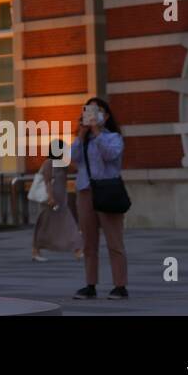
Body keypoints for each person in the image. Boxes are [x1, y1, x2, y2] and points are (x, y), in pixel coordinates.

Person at [71, 98, 128, 299]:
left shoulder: (113, 137)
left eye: (98, 111)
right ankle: (90, 284)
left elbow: (110, 155)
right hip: (86, 192)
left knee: (114, 241)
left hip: (108, 191)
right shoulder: (83, 141)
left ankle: (120, 286)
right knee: (89, 242)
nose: (93, 115)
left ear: (107, 116)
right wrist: (82, 133)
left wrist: (97, 132)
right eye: (89, 111)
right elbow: (73, 157)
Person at [30, 145, 83, 261]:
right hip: (50, 201)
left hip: (62, 200)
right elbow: (47, 182)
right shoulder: (48, 163)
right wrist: (50, 197)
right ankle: (35, 250)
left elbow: (75, 168)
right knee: (44, 225)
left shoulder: (62, 163)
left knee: (69, 224)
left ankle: (77, 250)